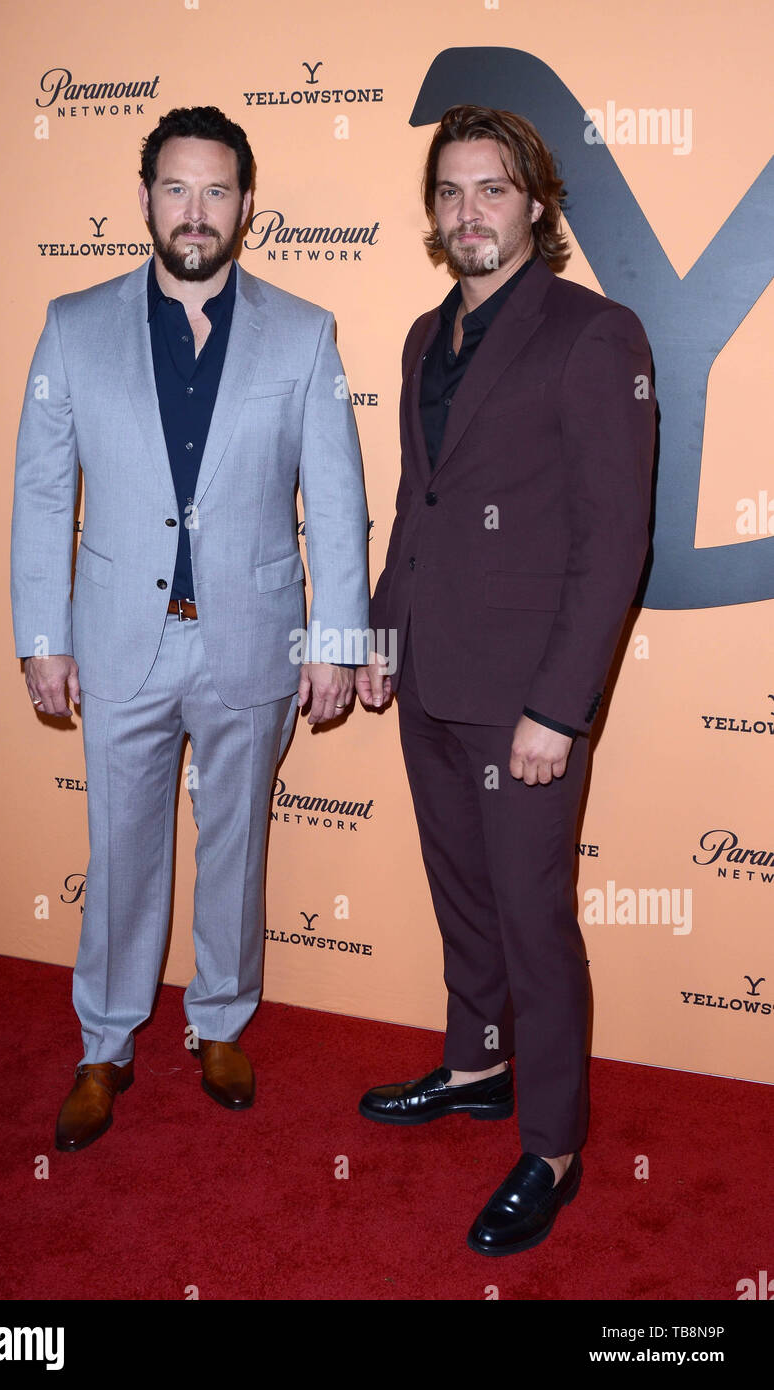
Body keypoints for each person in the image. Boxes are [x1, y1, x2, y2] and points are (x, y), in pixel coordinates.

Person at [11, 105, 368, 1152]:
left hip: (253, 638)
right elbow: (41, 493)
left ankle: (219, 1018)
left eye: (217, 190)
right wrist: (42, 633)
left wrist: (338, 641)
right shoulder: (73, 325)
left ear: (247, 205)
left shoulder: (305, 334)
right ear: (144, 200)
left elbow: (337, 502)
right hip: (119, 636)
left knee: (235, 842)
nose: (196, 211)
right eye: (176, 188)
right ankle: (106, 1041)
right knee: (120, 850)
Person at [356, 105, 655, 1255]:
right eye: (450, 192)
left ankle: (554, 1145)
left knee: (534, 918)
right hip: (431, 671)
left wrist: (556, 706)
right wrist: (384, 636)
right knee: (464, 898)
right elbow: (413, 507)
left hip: (525, 693)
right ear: (433, 214)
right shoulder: (427, 337)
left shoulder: (595, 335)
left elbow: (613, 538)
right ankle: (477, 1067)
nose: (470, 212)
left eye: (492, 189)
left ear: (536, 203)